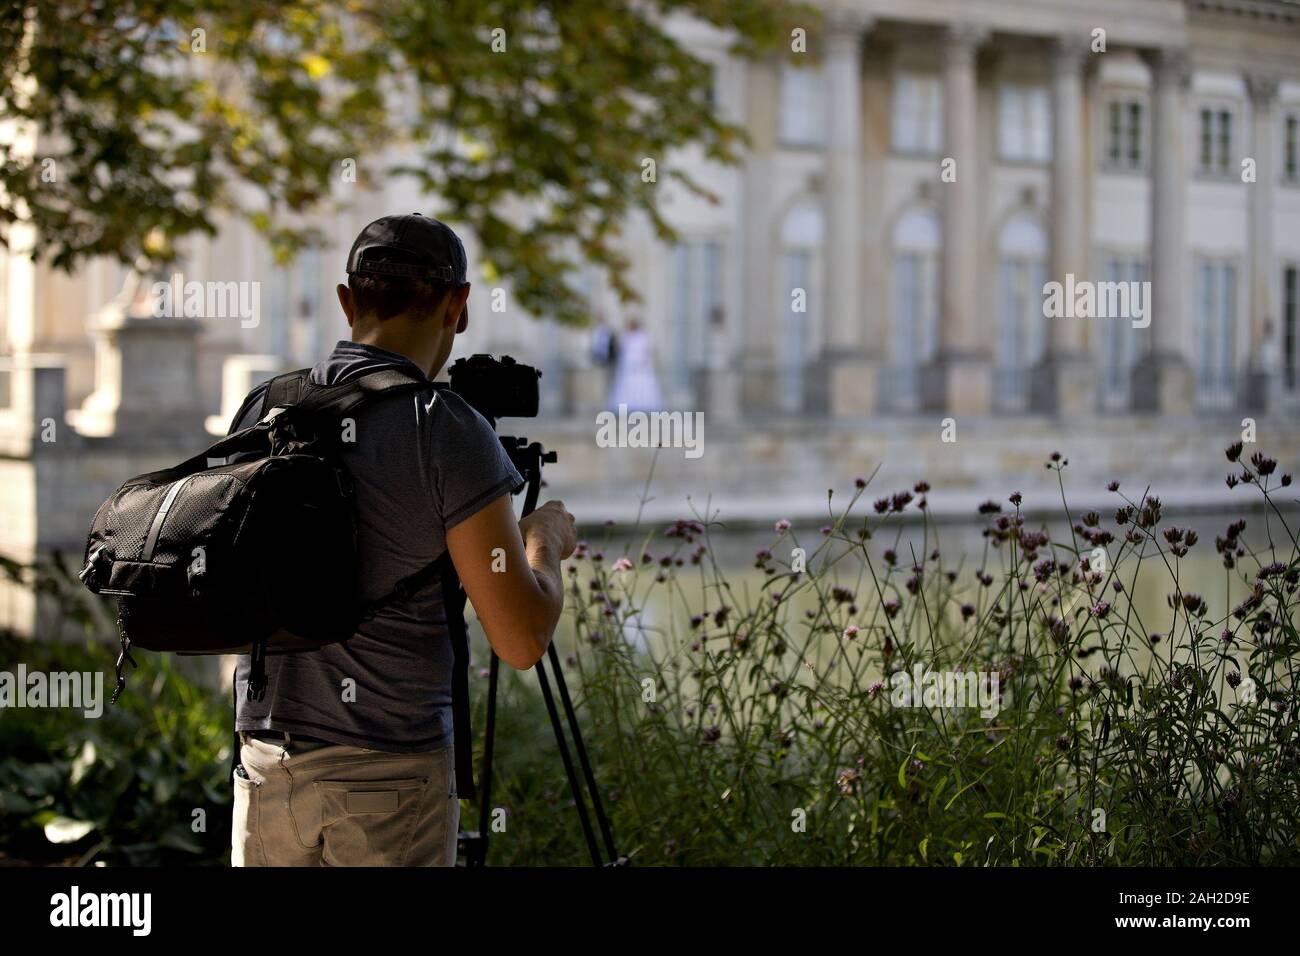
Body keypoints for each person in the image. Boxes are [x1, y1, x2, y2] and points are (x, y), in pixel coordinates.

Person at [226, 213, 577, 867]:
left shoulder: (265, 406)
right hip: (388, 778)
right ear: (459, 306)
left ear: (347, 300)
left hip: (265, 765)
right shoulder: (444, 428)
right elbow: (520, 638)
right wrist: (544, 541)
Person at [608, 317, 663, 411]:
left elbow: (647, 351)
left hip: (640, 366)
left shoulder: (642, 337)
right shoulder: (626, 337)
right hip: (629, 366)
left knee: (640, 385)